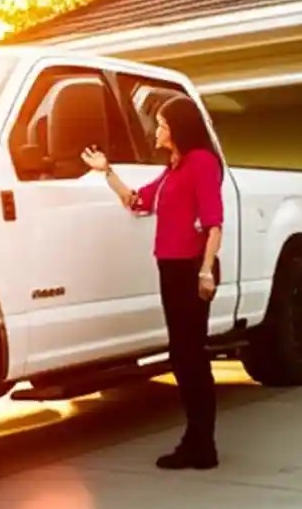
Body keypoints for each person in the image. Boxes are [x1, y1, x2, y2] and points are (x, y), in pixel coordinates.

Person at [81, 91, 225, 470]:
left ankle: (202, 444)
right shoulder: (172, 169)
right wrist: (106, 170)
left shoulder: (201, 163)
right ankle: (195, 439)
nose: (157, 130)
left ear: (177, 128)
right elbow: (136, 202)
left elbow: (213, 223)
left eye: (162, 124)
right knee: (182, 356)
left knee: (192, 358)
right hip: (171, 270)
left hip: (194, 269)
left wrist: (206, 270)